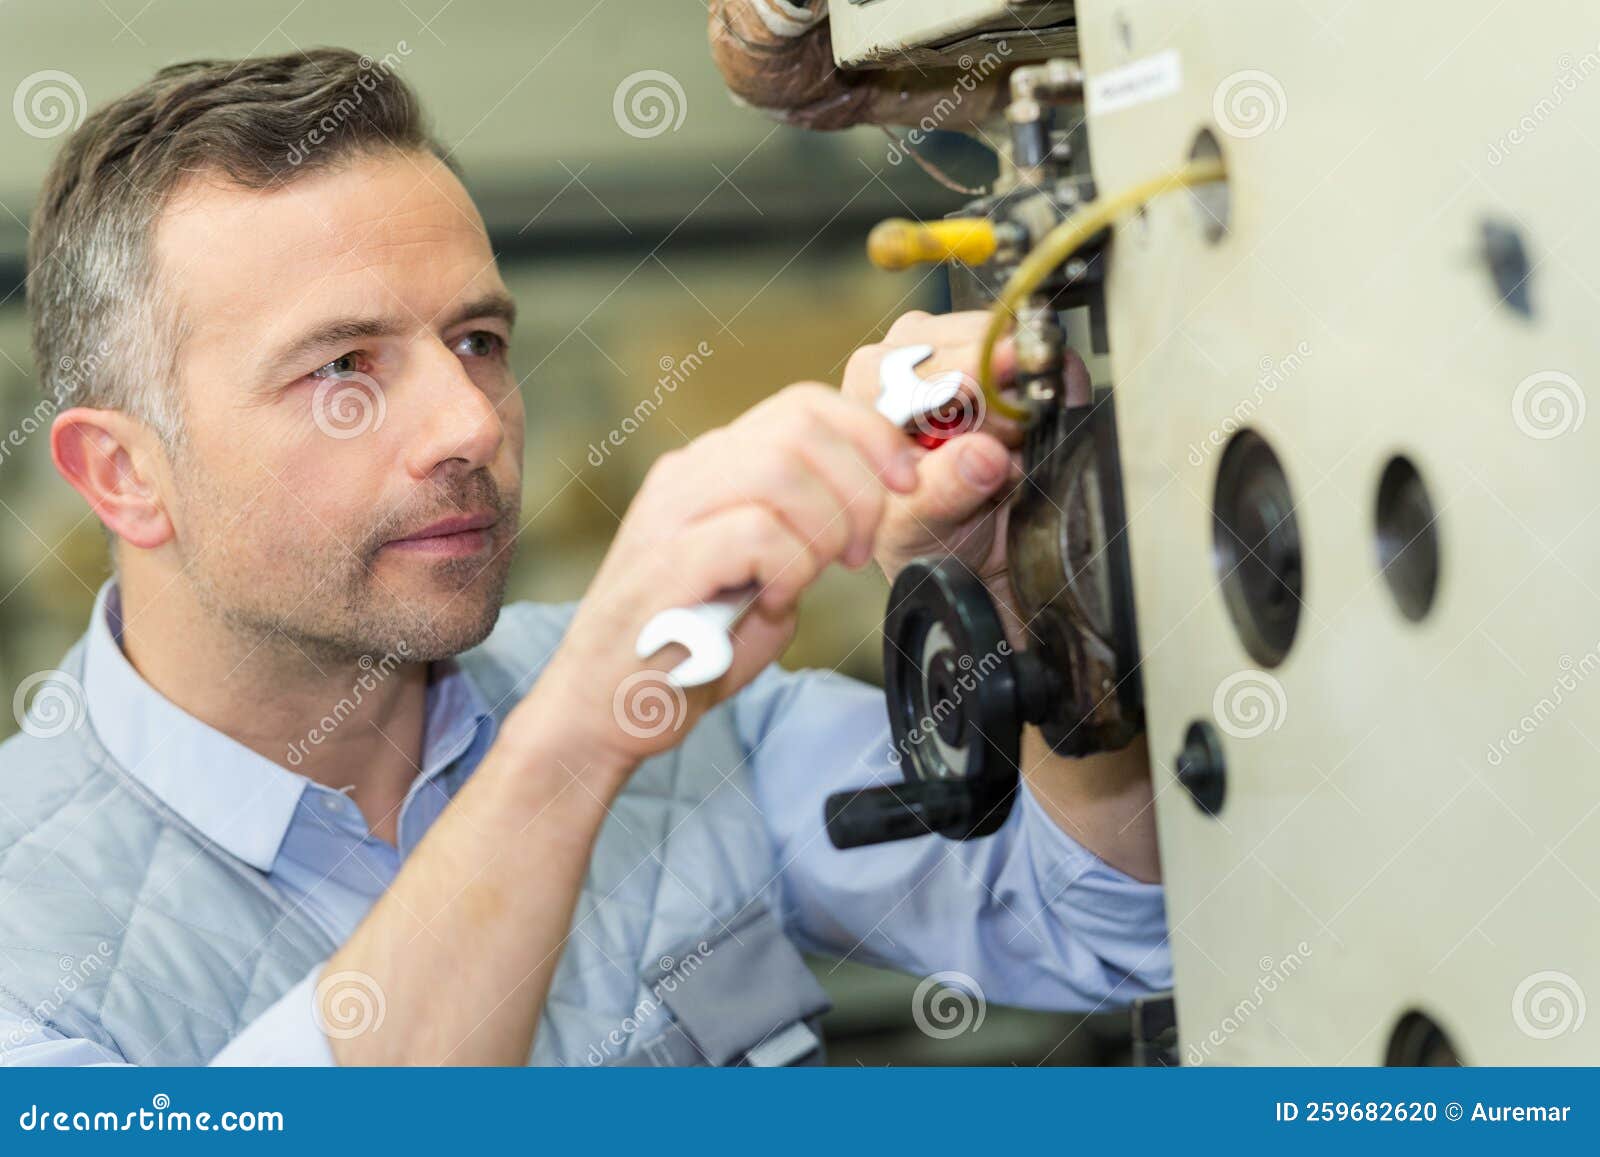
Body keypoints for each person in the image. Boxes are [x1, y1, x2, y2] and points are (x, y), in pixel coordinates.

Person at [0, 48, 1166, 1066]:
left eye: (477, 339)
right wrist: (575, 743)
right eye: (344, 366)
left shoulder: (695, 709)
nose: (471, 423)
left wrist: (1027, 588)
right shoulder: (25, 928)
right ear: (121, 473)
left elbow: (1114, 925)